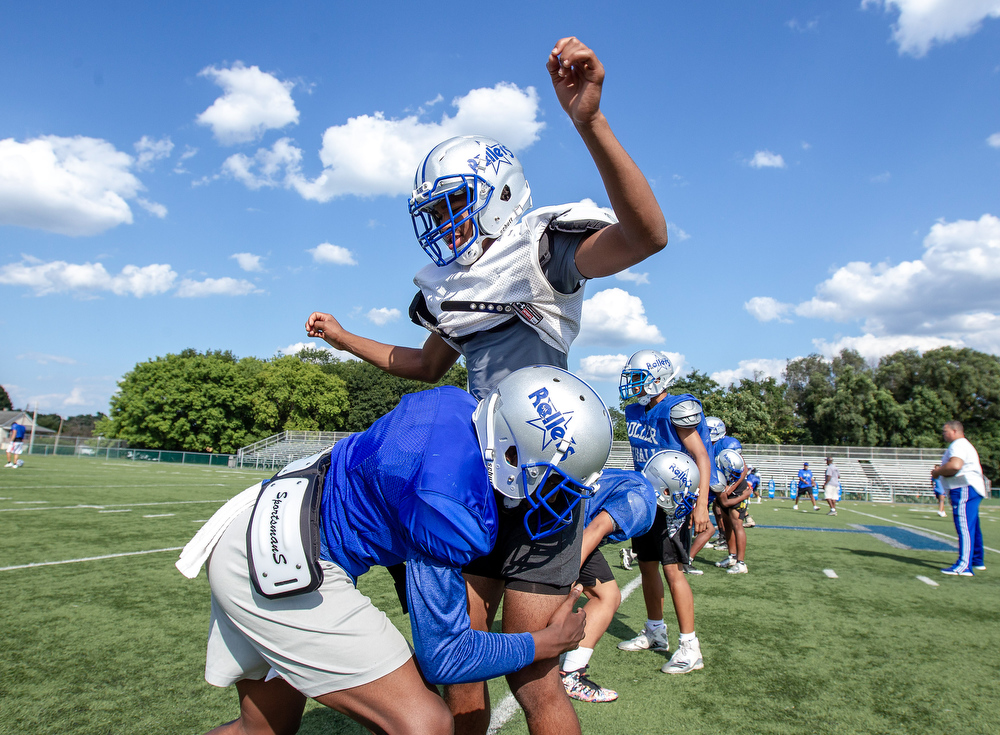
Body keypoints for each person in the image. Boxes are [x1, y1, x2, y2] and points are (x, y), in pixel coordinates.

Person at [305, 36, 667, 735]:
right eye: (435, 214)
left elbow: (645, 234)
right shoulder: (450, 285)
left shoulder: (540, 248)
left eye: (454, 207)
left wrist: (589, 121)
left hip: (543, 481)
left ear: (500, 195)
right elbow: (424, 365)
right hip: (467, 479)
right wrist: (344, 336)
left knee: (535, 679)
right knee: (454, 668)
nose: (443, 226)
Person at [176, 366, 610, 734]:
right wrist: (541, 643)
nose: (557, 497)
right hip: (287, 557)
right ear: (512, 451)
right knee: (425, 724)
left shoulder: (456, 405)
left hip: (265, 511)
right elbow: (444, 657)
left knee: (262, 729)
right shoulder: (451, 504)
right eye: (552, 480)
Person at [616, 351, 713, 675]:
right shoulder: (634, 410)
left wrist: (700, 505)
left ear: (657, 378)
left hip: (675, 502)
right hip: (647, 498)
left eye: (637, 378)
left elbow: (701, 455)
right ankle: (655, 631)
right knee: (646, 567)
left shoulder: (676, 409)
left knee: (673, 571)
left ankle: (690, 646)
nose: (630, 385)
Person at [560, 469, 657, 702]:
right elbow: (596, 529)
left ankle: (568, 671)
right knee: (607, 597)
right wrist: (565, 581)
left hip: (565, 520)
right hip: (567, 529)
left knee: (607, 594)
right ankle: (570, 675)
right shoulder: (642, 498)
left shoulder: (629, 479)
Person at [932, 421, 986, 576]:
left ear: (955, 431)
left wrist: (937, 472)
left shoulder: (958, 444)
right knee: (973, 526)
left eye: (945, 431)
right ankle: (976, 559)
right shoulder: (963, 444)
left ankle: (964, 565)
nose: (943, 434)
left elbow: (955, 465)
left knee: (964, 526)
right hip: (970, 487)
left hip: (964, 487)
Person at [713, 449, 752, 574]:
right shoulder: (719, 474)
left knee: (737, 526)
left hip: (737, 496)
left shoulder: (735, 466)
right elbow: (724, 502)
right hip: (728, 498)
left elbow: (743, 470)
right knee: (727, 526)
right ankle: (732, 557)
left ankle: (741, 563)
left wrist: (742, 496)